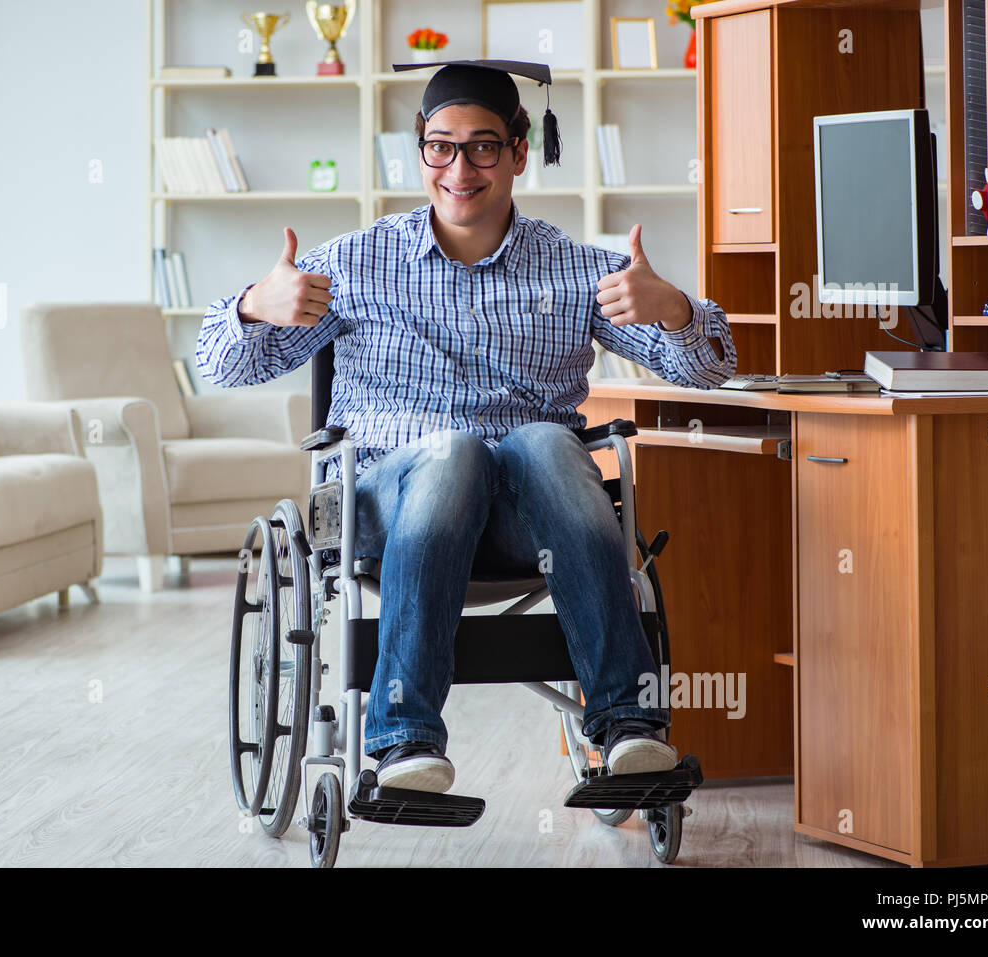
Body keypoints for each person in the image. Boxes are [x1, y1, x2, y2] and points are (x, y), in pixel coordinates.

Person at [197, 59, 736, 794]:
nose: (460, 168)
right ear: (419, 149)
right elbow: (218, 366)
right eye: (440, 146)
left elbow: (710, 369)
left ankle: (627, 726)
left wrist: (674, 307)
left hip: (525, 520)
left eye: (483, 146)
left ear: (519, 152)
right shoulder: (356, 264)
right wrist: (255, 306)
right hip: (387, 510)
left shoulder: (580, 272)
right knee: (450, 452)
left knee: (550, 440)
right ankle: (404, 740)